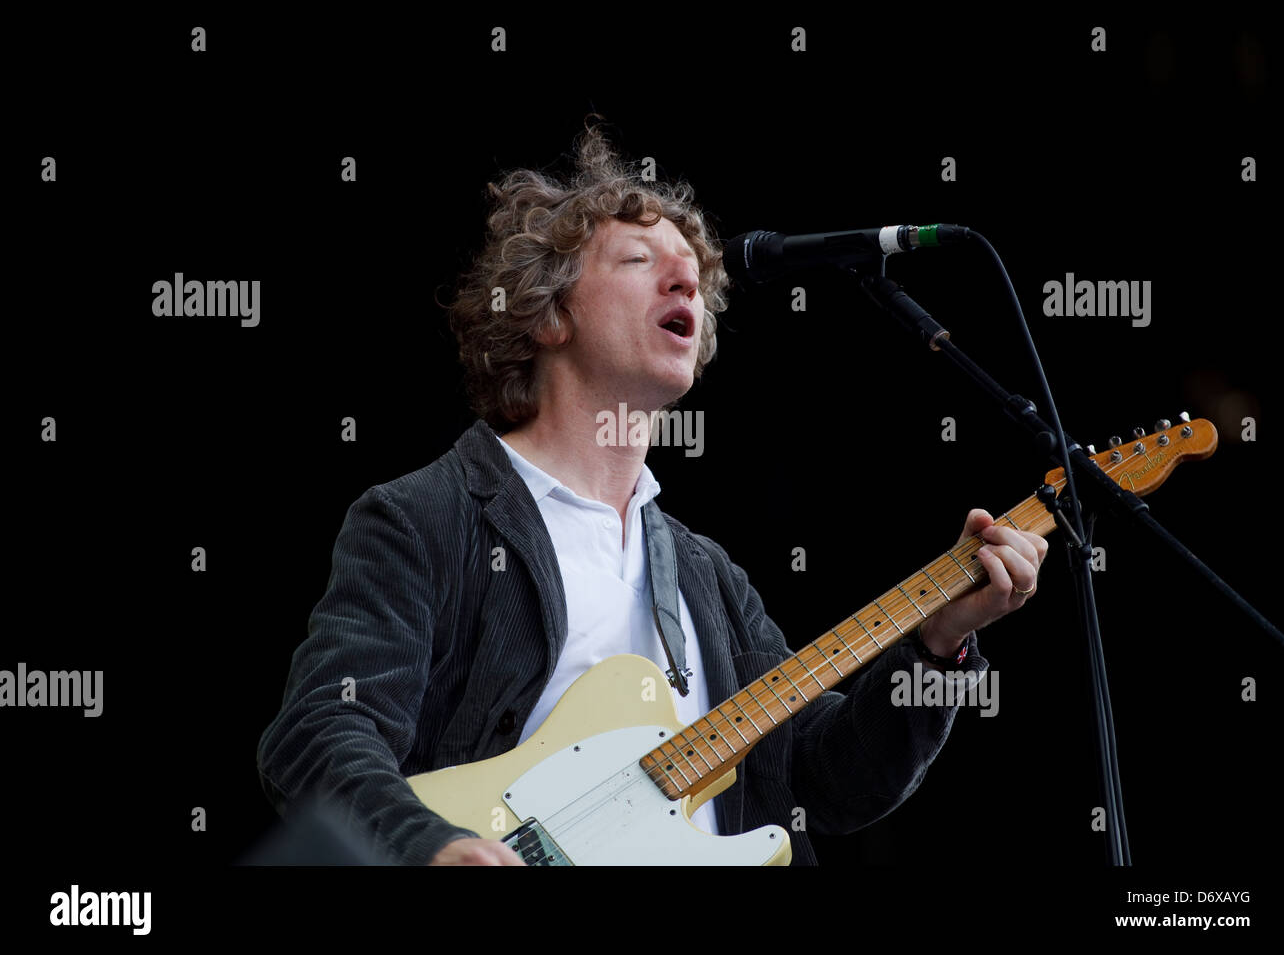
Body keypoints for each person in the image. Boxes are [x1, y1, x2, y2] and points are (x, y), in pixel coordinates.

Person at [256, 118, 1048, 866]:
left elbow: (827, 780)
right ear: (547, 315)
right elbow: (321, 730)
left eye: (693, 273)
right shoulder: (426, 519)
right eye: (638, 260)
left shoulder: (707, 577)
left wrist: (938, 646)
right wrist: (429, 844)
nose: (687, 279)